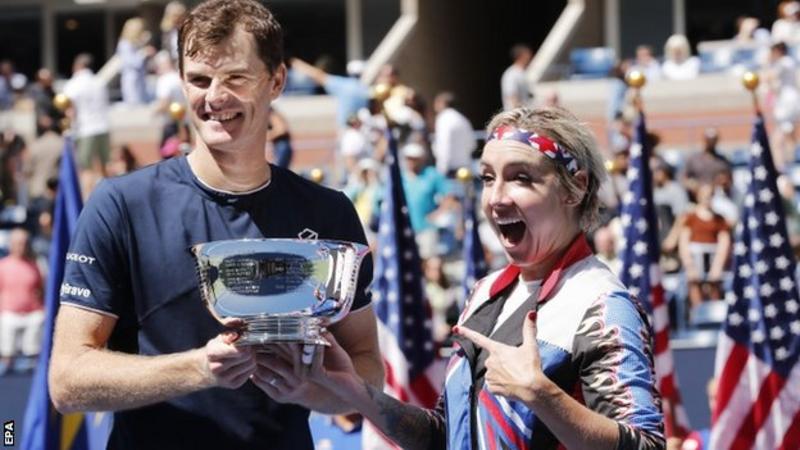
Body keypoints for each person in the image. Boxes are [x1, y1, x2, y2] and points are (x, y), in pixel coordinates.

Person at [48, 1, 383, 449]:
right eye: (200, 80)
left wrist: (315, 390)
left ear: (277, 80)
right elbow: (67, 380)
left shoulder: (328, 212)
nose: (215, 97)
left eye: (236, 78)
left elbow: (366, 364)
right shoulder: (121, 205)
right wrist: (199, 369)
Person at [308, 106, 665, 449]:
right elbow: (445, 435)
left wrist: (545, 396)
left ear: (576, 188)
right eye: (488, 178)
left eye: (520, 178)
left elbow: (647, 445)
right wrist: (358, 391)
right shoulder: (486, 292)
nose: (495, 198)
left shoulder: (601, 304)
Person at [62, 53, 111, 197]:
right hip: (103, 126)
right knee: (104, 167)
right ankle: (110, 198)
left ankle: (87, 201)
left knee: (86, 168)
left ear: (78, 66)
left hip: (85, 129)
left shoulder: (73, 84)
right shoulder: (99, 82)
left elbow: (70, 110)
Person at [0, 228, 44, 375]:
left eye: (24, 243)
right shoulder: (3, 266)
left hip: (32, 315)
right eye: (17, 243)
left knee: (38, 322)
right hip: (9, 315)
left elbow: (42, 290)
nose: (21, 247)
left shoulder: (36, 266)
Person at [432, 91, 476, 178]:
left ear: (443, 103)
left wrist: (441, 169)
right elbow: (473, 145)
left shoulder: (443, 118)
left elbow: (444, 144)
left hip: (449, 171)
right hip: (465, 167)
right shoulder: (463, 119)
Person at [116, 17, 156, 105]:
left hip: (140, 79)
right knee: (135, 106)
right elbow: (133, 62)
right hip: (132, 80)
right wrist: (144, 52)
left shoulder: (135, 43)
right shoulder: (124, 44)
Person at [501, 44, 534, 110]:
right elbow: (512, 96)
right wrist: (517, 114)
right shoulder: (511, 74)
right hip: (516, 115)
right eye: (527, 54)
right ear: (521, 56)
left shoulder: (523, 72)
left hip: (526, 114)